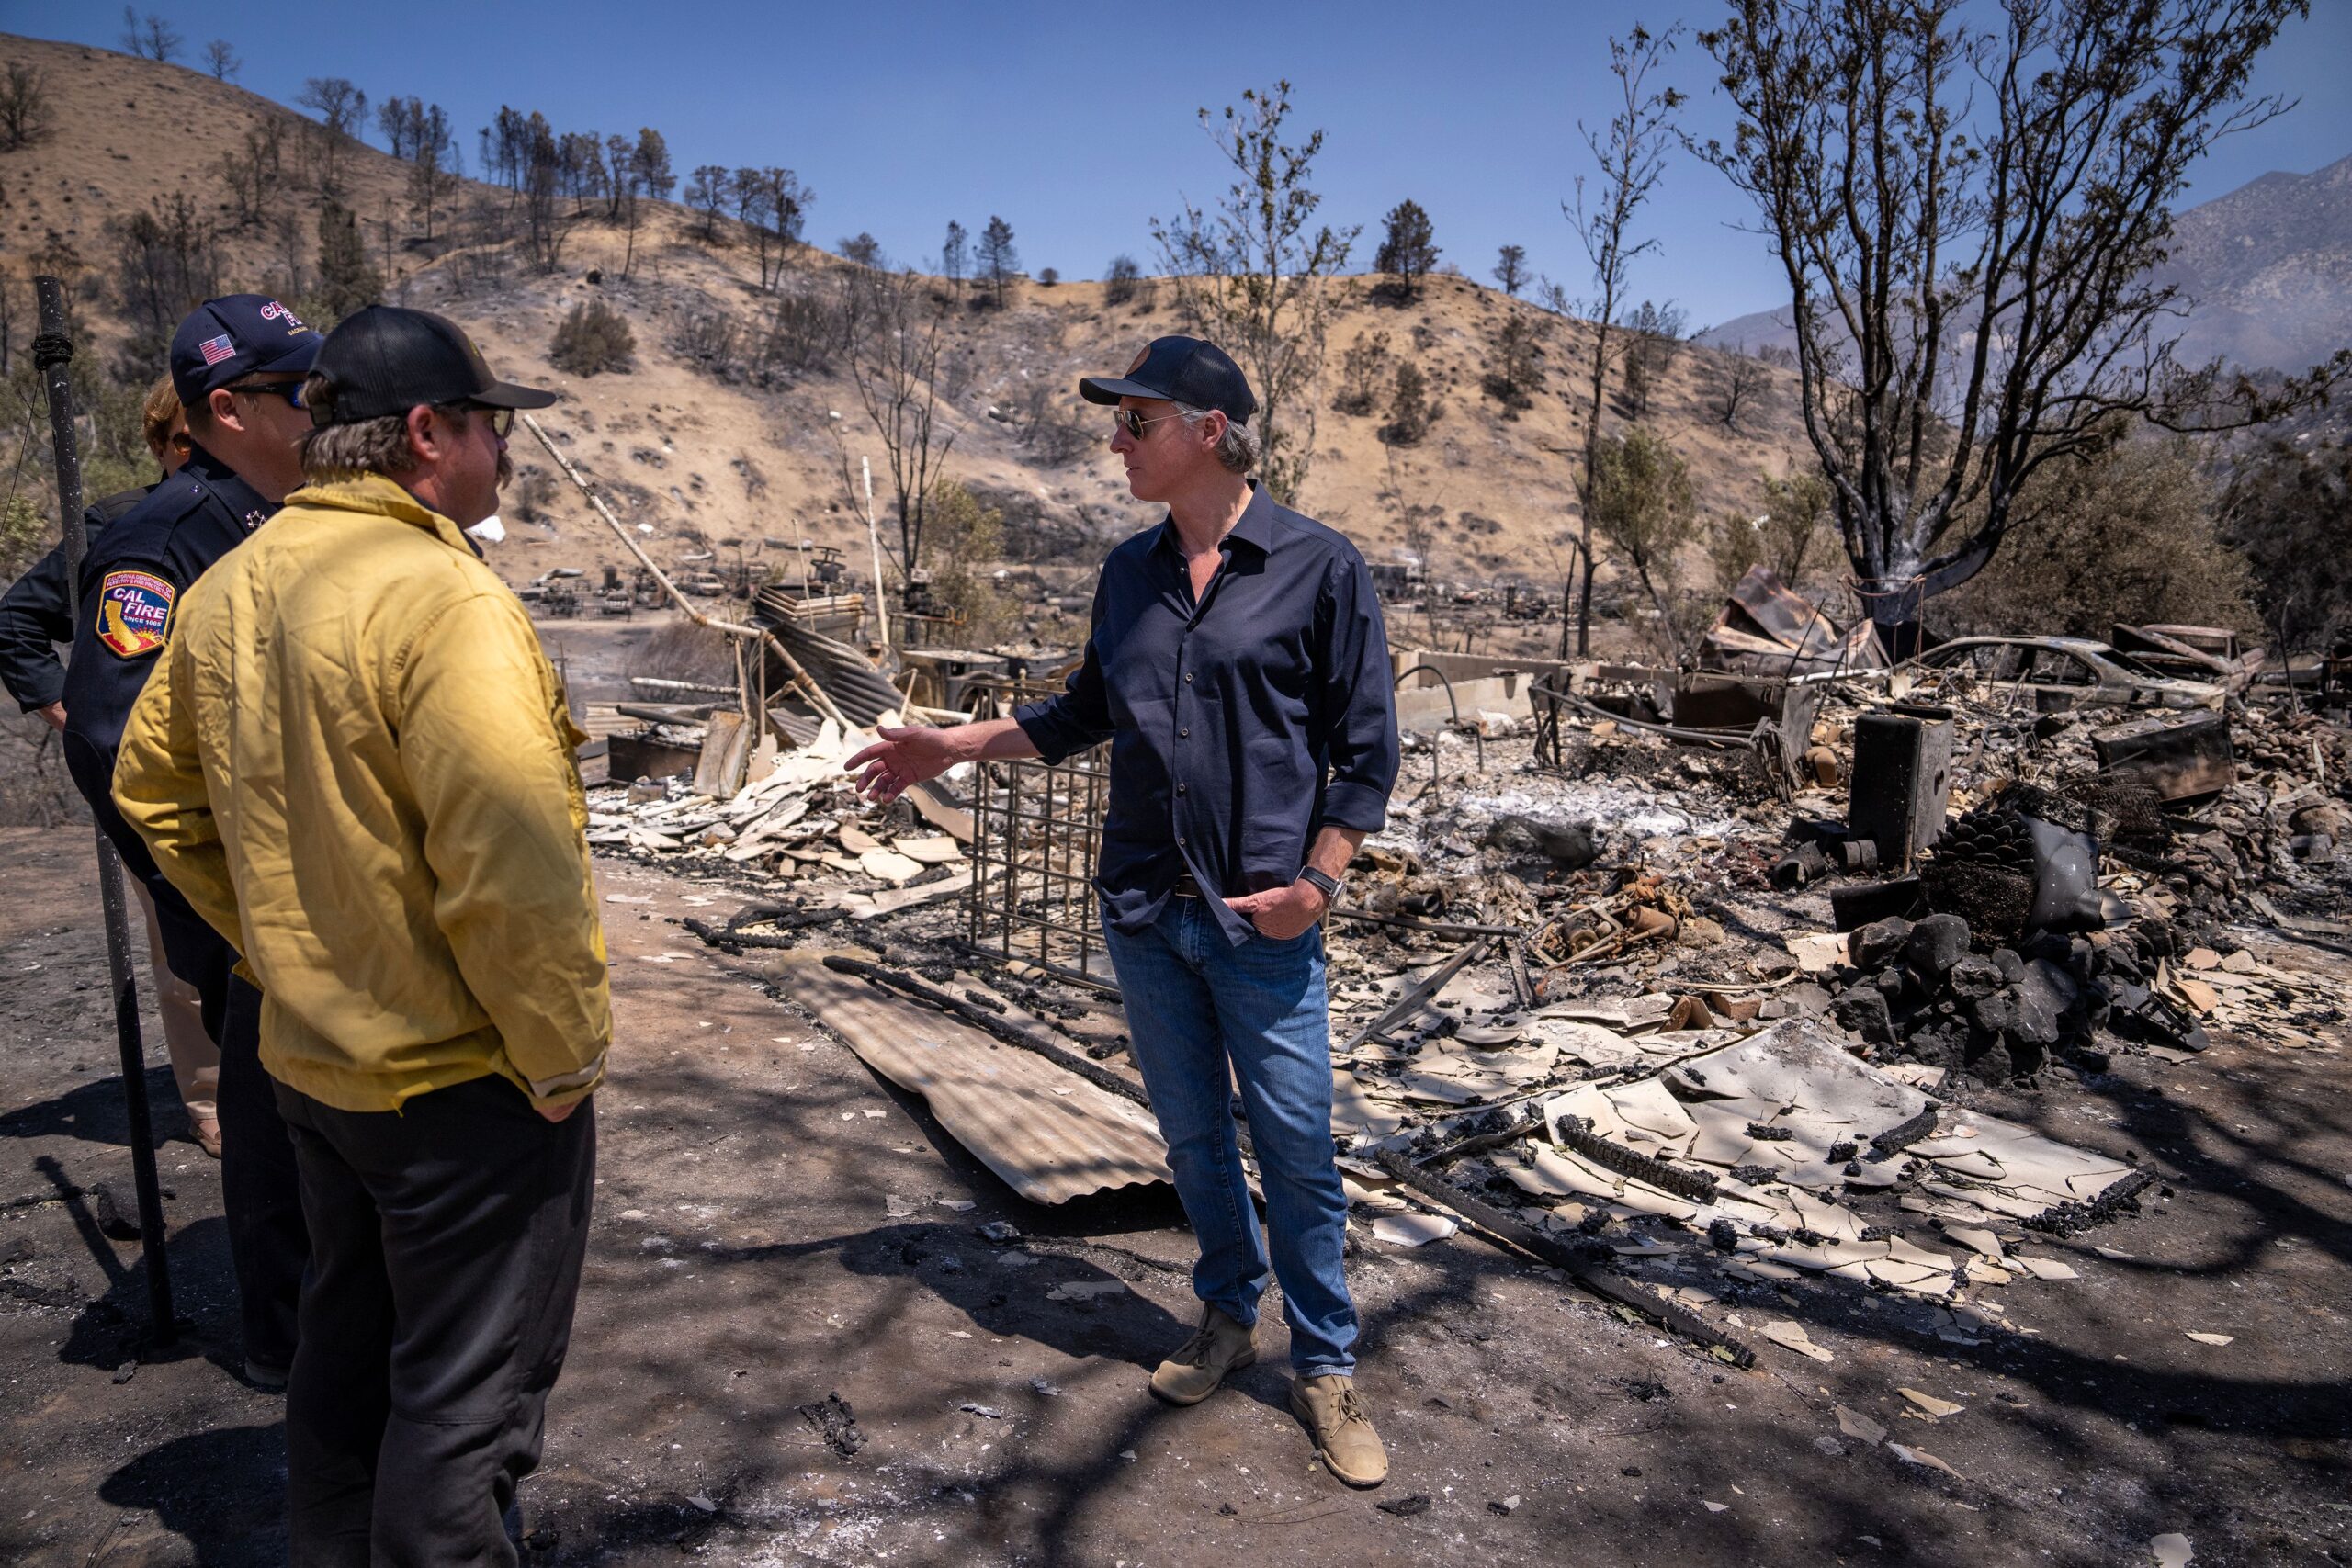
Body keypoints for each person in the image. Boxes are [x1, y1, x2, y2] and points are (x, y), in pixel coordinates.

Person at [846, 335, 1401, 1488]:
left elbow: (1366, 750)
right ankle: (1222, 1313)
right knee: (1195, 1138)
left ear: (1209, 430)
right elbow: (1076, 717)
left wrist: (1321, 883)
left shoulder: (1320, 567)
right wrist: (948, 743)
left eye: (1134, 422)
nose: (1114, 443)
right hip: (1146, 906)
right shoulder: (1126, 576)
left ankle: (1328, 1365)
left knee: (1295, 1145)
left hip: (1265, 917)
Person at [114, 303, 606, 1566]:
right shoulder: (444, 597)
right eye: (494, 428)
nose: (504, 455)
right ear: (429, 433)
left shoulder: (230, 587)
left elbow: (152, 788)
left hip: (315, 1064)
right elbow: (514, 865)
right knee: (463, 1404)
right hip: (464, 1084)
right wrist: (559, 1058)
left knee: (342, 1364)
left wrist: (280, 945)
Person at [59, 297, 320, 1386]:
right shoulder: (161, 542)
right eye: (300, 392)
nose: (323, 407)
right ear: (230, 408)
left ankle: (336, 1328)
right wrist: (227, 902)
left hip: (314, 894)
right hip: (241, 905)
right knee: (272, 1131)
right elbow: (117, 750)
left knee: (326, 1127)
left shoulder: (291, 520)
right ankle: (290, 1346)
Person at [0, 378, 218, 1153]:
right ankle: (211, 1097)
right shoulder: (120, 526)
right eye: (181, 444)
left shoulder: (261, 518)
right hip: (157, 777)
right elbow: (17, 621)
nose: (196, 459)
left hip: (247, 769)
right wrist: (66, 708)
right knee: (180, 937)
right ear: (161, 447)